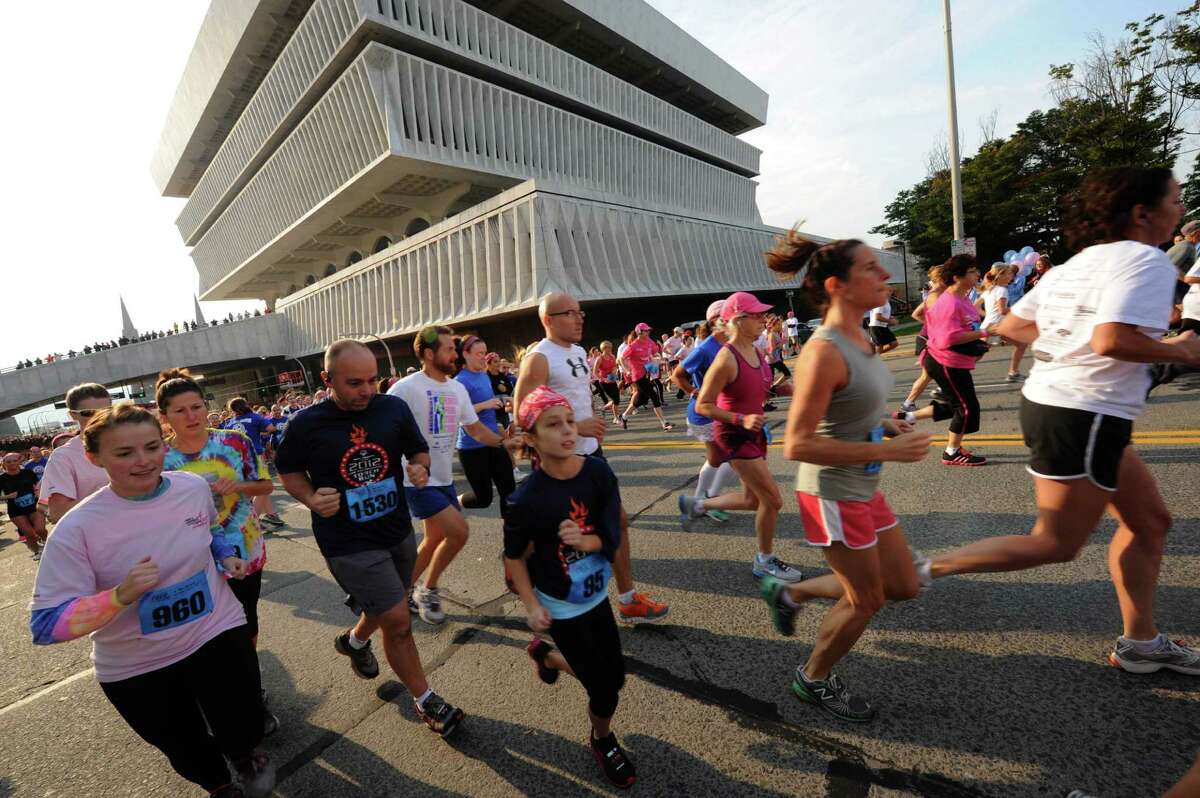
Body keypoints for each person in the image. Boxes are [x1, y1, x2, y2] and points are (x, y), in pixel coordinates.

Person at [921, 166, 1200, 676]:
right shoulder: (1148, 261)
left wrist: (1068, 345)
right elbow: (1111, 340)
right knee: (1054, 543)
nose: (1182, 211)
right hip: (1084, 411)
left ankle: (1141, 643)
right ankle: (918, 570)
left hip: (1072, 405)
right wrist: (1181, 349)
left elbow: (1012, 324)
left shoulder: (1079, 263)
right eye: (1176, 200)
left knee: (1149, 523)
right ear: (1142, 213)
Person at [29, 404, 274, 798]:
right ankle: (218, 784)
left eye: (152, 447)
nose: (143, 461)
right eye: (124, 453)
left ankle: (244, 753)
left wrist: (225, 555)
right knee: (184, 744)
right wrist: (119, 596)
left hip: (215, 627)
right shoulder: (77, 527)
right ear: (94, 458)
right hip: (138, 662)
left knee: (243, 716)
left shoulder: (192, 487)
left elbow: (210, 527)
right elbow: (46, 625)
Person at [756, 230, 931, 722]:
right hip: (832, 492)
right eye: (871, 268)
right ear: (837, 286)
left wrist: (884, 423)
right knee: (866, 598)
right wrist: (887, 452)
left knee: (903, 585)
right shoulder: (823, 350)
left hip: (863, 485)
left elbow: (850, 405)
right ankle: (812, 678)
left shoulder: (862, 337)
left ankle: (791, 592)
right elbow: (797, 444)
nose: (885, 274)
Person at [276, 339, 465, 736]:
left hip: (396, 530)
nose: (366, 390)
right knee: (398, 620)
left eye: (372, 380)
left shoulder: (391, 408)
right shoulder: (306, 424)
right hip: (346, 541)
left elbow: (418, 450)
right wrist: (310, 497)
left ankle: (355, 641)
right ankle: (426, 700)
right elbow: (289, 471)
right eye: (354, 383)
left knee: (387, 602)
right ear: (327, 379)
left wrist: (419, 467)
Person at [505, 386, 635, 789]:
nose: (567, 430)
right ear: (531, 438)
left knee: (614, 677)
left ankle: (547, 657)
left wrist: (589, 542)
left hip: (595, 596)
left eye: (569, 421)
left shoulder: (597, 473)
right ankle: (603, 739)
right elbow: (513, 558)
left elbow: (613, 531)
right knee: (604, 689)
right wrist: (531, 604)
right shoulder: (526, 499)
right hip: (560, 606)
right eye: (553, 424)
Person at [515, 293, 669, 623]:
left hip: (590, 454)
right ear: (548, 320)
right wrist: (576, 426)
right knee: (558, 541)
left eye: (580, 312)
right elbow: (522, 415)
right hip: (559, 463)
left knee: (617, 520)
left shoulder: (578, 352)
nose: (579, 318)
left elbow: (576, 396)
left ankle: (628, 600)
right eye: (570, 313)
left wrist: (589, 419)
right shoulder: (539, 358)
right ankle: (541, 603)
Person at [157, 369, 280, 736]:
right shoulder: (159, 457)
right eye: (180, 410)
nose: (191, 416)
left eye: (196, 406)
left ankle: (251, 695)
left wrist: (237, 485)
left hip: (244, 545)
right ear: (164, 416)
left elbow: (265, 485)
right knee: (205, 636)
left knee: (245, 624)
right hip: (192, 558)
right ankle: (216, 701)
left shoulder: (234, 441)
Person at [388, 327, 518, 624]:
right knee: (458, 532)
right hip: (417, 481)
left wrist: (504, 443)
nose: (454, 355)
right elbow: (382, 429)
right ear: (429, 354)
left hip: (444, 478)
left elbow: (475, 429)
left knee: (434, 539)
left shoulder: (456, 389)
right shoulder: (405, 389)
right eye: (448, 349)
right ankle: (427, 590)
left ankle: (400, 592)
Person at [677, 291, 801, 582]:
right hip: (734, 433)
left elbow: (757, 389)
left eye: (762, 314)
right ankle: (764, 561)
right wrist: (740, 418)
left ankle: (698, 504)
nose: (763, 319)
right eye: (756, 315)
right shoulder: (725, 358)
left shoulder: (756, 351)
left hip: (753, 430)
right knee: (773, 500)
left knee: (753, 500)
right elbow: (704, 404)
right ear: (737, 320)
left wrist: (781, 390)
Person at [915, 255, 989, 466]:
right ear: (957, 277)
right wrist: (984, 333)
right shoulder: (949, 301)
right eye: (972, 271)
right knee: (965, 408)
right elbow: (948, 338)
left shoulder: (962, 297)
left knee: (959, 405)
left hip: (953, 360)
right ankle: (951, 452)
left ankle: (909, 417)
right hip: (944, 361)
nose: (977, 274)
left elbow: (964, 326)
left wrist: (977, 343)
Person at [670, 302, 736, 528]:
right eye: (729, 315)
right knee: (734, 456)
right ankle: (706, 502)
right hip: (706, 412)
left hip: (723, 409)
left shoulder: (731, 343)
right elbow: (677, 375)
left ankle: (701, 502)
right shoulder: (705, 349)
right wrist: (694, 392)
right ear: (716, 321)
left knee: (720, 458)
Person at [453, 334, 517, 521]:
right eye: (479, 353)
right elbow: (458, 414)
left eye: (485, 352)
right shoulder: (459, 381)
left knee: (509, 492)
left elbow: (489, 400)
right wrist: (484, 405)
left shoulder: (483, 376)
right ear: (465, 354)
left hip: (494, 441)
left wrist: (503, 399)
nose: (484, 357)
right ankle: (453, 501)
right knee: (483, 499)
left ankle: (511, 534)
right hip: (472, 447)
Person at [39, 382, 112, 522]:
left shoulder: (135, 441)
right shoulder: (63, 457)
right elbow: (57, 512)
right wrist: (118, 495)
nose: (100, 417)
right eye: (89, 413)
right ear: (73, 415)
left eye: (107, 411)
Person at [222, 399, 283, 529]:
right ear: (246, 405)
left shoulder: (230, 422)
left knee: (258, 487)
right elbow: (271, 428)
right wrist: (259, 432)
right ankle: (251, 521)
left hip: (237, 459)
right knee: (263, 487)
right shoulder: (254, 417)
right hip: (254, 456)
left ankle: (271, 514)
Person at [898, 266, 947, 413]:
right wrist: (931, 325)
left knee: (930, 374)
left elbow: (916, 314)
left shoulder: (937, 294)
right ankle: (909, 404)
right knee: (929, 374)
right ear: (942, 278)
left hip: (929, 338)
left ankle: (909, 403)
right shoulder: (936, 296)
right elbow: (916, 314)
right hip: (927, 340)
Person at [617, 323, 674, 431]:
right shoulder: (632, 346)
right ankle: (664, 423)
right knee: (654, 396)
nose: (648, 332)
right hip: (638, 376)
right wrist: (627, 370)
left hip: (647, 373)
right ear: (639, 332)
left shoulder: (649, 341)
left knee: (641, 400)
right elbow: (621, 359)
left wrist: (657, 358)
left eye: (648, 330)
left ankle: (623, 416)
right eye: (646, 330)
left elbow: (655, 352)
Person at [2, 452, 46, 559]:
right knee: (29, 534)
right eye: (8, 462)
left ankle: (48, 543)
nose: (12, 463)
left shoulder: (28, 473)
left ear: (19, 462)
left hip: (34, 506)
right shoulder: (2, 478)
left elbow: (38, 486)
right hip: (16, 510)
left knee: (40, 529)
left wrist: (37, 492)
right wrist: (7, 496)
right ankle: (37, 552)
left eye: (14, 461)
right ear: (4, 464)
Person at [591, 341, 622, 423]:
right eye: (608, 348)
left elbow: (615, 366)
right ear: (604, 349)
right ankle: (616, 418)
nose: (610, 349)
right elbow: (595, 372)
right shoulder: (599, 359)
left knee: (617, 399)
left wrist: (614, 370)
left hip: (612, 380)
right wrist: (604, 379)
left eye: (610, 347)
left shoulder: (612, 356)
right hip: (604, 382)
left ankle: (604, 408)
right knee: (615, 399)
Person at [866, 289, 898, 354]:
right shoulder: (881, 302)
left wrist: (889, 317)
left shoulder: (886, 301)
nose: (891, 292)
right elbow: (877, 317)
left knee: (894, 343)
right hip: (876, 327)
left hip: (882, 326)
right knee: (879, 346)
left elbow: (881, 314)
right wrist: (890, 321)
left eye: (891, 291)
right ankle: (874, 357)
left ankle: (874, 356)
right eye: (889, 291)